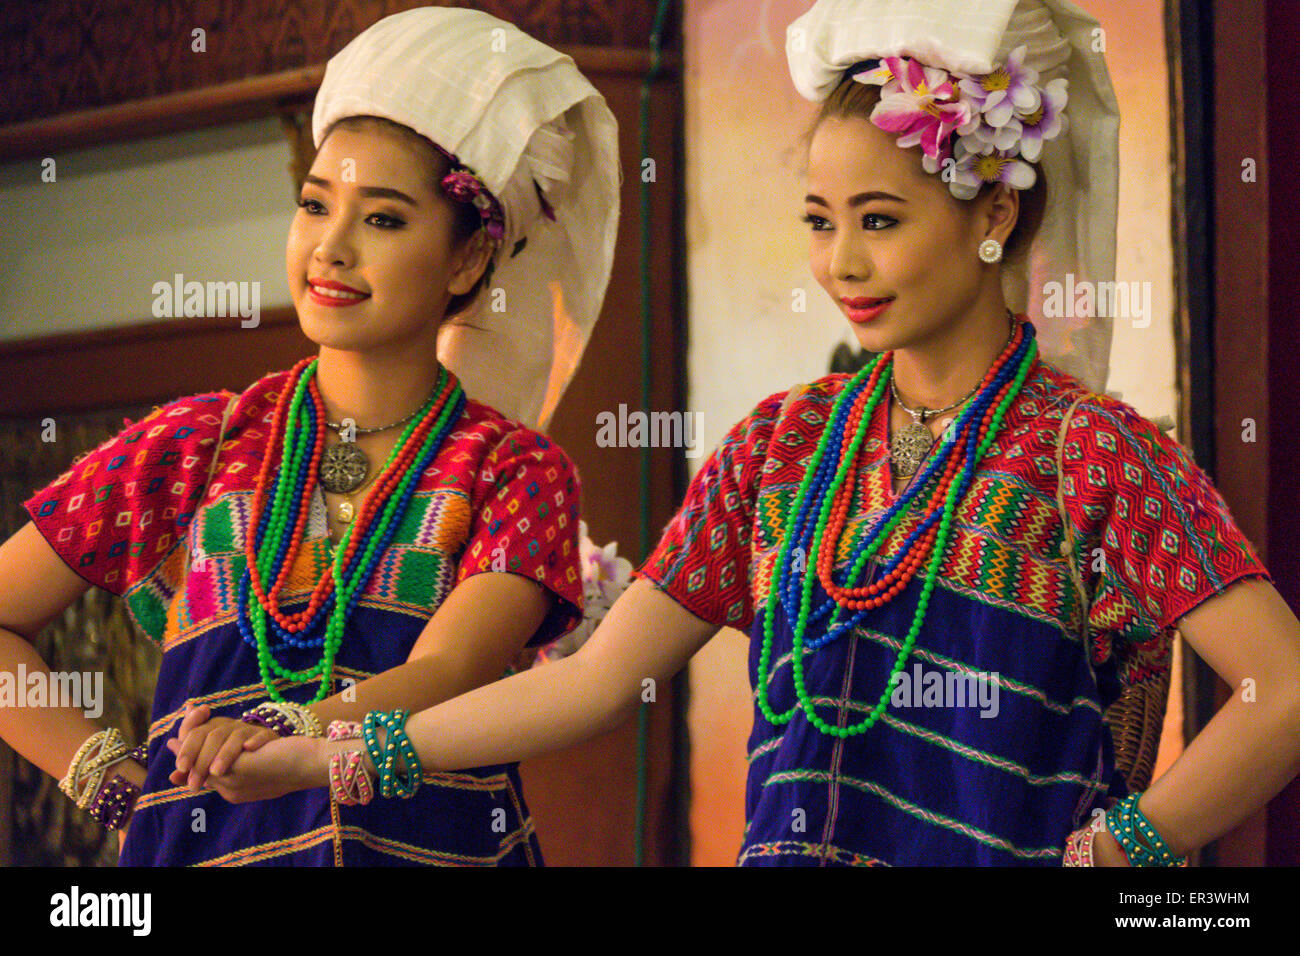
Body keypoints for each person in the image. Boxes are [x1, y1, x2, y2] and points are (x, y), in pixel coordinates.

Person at [177, 0, 1300, 866]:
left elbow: (1280, 687)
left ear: (994, 215)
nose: (840, 264)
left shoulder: (1086, 451)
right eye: (820, 222)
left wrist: (1128, 846)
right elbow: (591, 682)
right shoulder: (784, 446)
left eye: (879, 221)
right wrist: (327, 749)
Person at [0, 5, 620, 866]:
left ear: (469, 259)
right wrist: (103, 774)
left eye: (383, 219)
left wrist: (293, 732)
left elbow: (449, 671)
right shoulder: (196, 446)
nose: (331, 248)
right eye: (314, 204)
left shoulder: (512, 471)